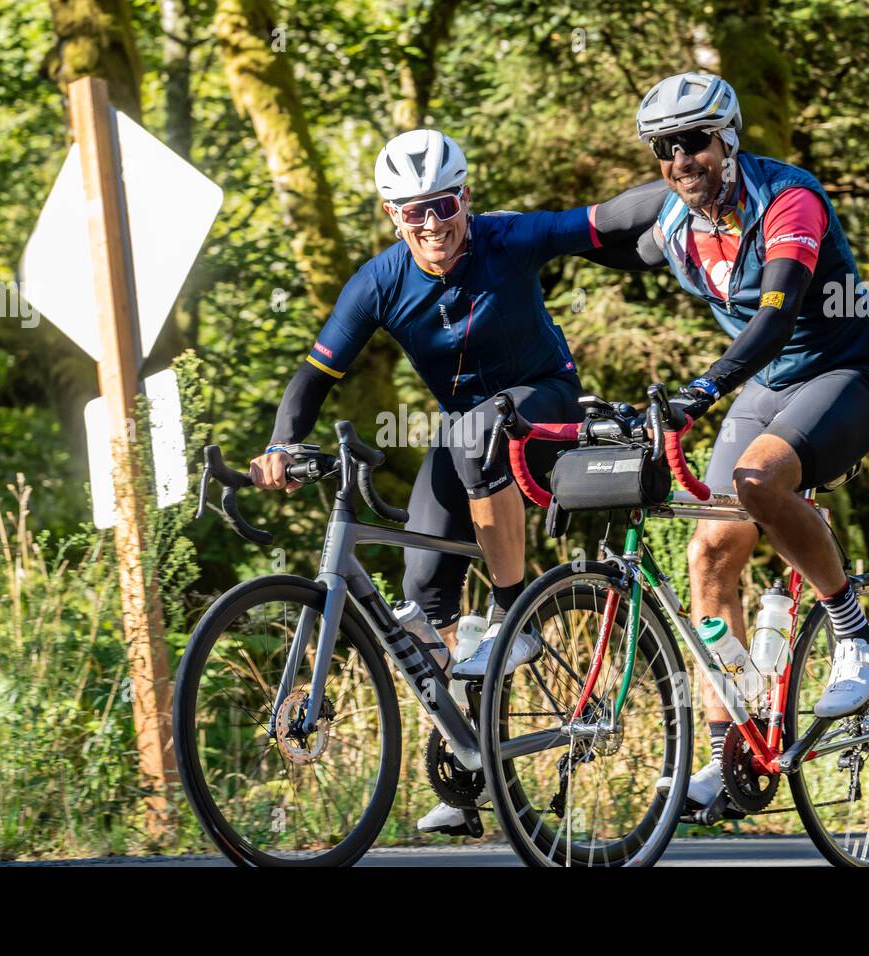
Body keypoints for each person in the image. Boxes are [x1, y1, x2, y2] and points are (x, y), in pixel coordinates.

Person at [249, 129, 656, 834]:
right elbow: (315, 377)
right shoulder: (378, 283)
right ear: (393, 217)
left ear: (465, 198)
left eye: (443, 205)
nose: (432, 224)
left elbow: (608, 219)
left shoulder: (509, 239)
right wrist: (283, 443)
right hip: (468, 430)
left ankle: (512, 617)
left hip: (544, 402)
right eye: (414, 212)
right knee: (423, 595)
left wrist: (695, 186)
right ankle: (469, 770)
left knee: (474, 438)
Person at [588, 72, 869, 812]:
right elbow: (556, 230)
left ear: (728, 137)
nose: (681, 159)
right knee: (710, 553)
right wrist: (462, 229)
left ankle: (854, 632)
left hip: (842, 375)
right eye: (665, 148)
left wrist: (700, 391)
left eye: (695, 141)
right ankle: (727, 755)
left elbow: (778, 316)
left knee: (757, 486)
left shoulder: (789, 198)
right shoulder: (668, 218)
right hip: (764, 391)